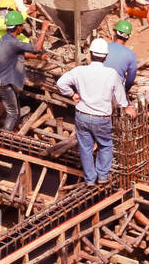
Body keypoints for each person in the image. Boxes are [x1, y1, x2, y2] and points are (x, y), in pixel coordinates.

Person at [56, 38, 131, 185]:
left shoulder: (79, 71)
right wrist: (127, 107)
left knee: (85, 148)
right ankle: (102, 176)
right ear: (106, 57)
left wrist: (72, 94)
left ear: (90, 54)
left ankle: (90, 179)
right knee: (105, 145)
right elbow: (121, 98)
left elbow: (60, 83)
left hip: (82, 116)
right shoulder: (111, 74)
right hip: (101, 119)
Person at [0, 11, 50, 132]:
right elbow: (37, 48)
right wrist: (44, 29)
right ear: (18, 27)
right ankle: (4, 138)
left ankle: (15, 111)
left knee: (14, 94)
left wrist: (37, 58)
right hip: (2, 82)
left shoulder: (4, 39)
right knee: (12, 113)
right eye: (21, 25)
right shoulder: (12, 41)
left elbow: (21, 52)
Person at [105, 19, 139, 92]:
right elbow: (130, 80)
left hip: (98, 88)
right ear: (128, 37)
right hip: (116, 91)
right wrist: (125, 91)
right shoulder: (131, 55)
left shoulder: (104, 47)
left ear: (114, 34)